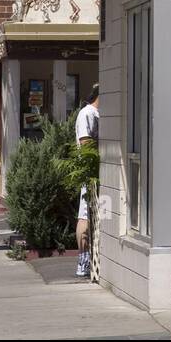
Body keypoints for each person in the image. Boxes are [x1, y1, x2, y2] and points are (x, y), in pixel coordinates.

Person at [75, 83, 99, 278]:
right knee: (85, 214)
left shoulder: (98, 114)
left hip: (102, 173)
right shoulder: (87, 113)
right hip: (90, 171)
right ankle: (83, 261)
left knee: (100, 214)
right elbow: (85, 142)